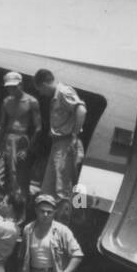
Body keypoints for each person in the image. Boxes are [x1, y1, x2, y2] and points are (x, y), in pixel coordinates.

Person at [34, 68, 87, 218]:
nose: (41, 93)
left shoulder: (63, 92)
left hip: (66, 143)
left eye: (40, 90)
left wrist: (74, 136)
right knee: (49, 188)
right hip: (58, 144)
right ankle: (60, 219)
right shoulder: (57, 96)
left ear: (44, 84)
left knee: (61, 188)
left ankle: (62, 224)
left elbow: (81, 110)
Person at [0, 72, 42, 222]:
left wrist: (27, 149)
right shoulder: (6, 101)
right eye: (9, 87)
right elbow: (1, 124)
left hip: (20, 140)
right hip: (6, 139)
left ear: (20, 84)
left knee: (18, 182)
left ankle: (17, 220)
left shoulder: (31, 101)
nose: (11, 90)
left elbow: (38, 127)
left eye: (13, 87)